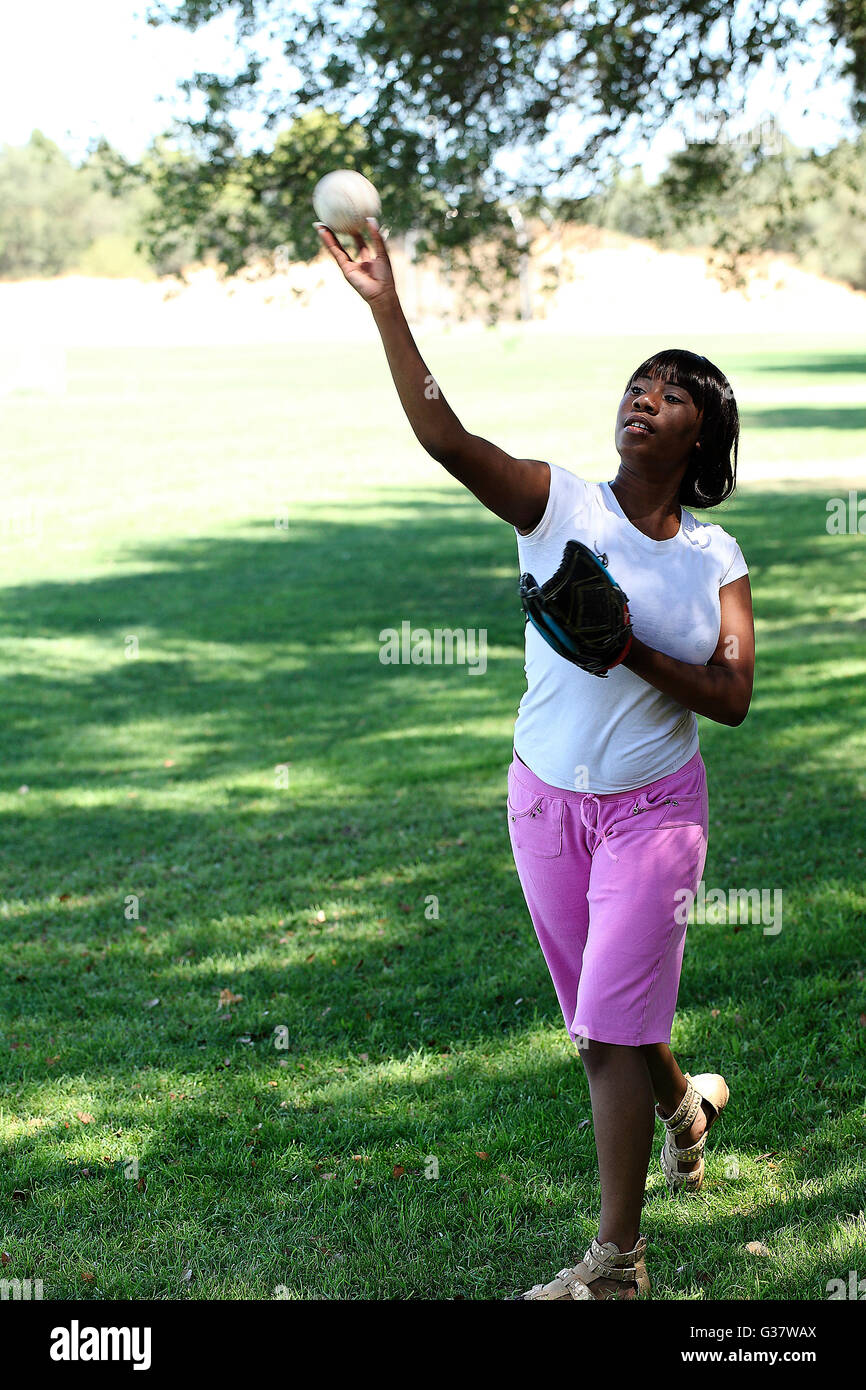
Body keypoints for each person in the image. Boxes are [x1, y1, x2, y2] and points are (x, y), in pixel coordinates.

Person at [314, 215, 755, 1301]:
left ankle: (614, 1265)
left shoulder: (713, 558)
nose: (639, 394)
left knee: (610, 1018)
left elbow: (732, 696)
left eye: (669, 389)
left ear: (699, 438)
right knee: (604, 1023)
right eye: (635, 382)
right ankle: (684, 1108)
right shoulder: (556, 502)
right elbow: (444, 438)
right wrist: (385, 305)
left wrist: (627, 647)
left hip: (655, 811)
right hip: (543, 801)